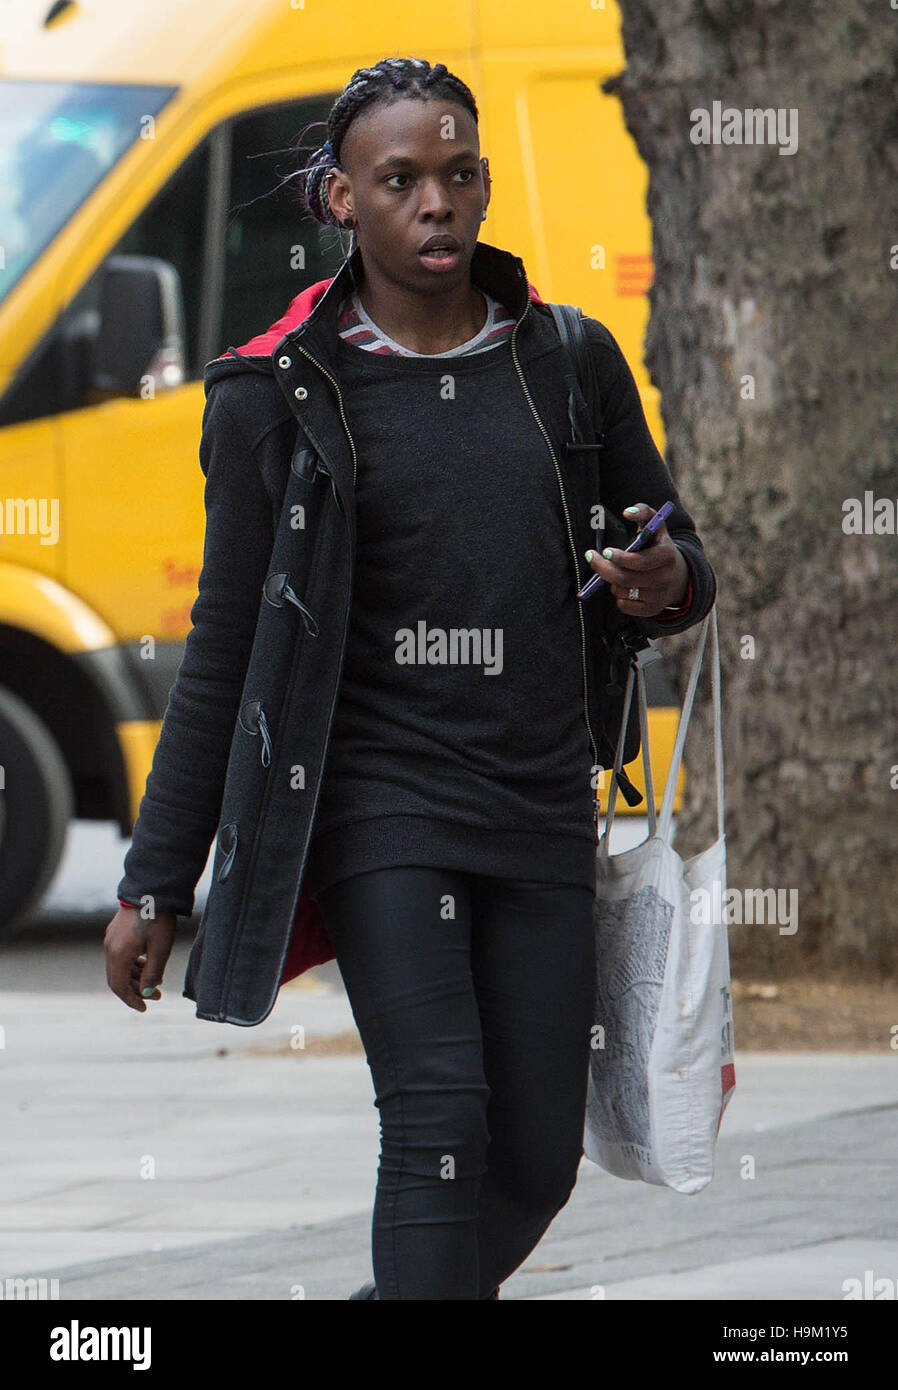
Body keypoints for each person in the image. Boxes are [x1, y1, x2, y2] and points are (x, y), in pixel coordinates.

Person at [105, 56, 716, 1300]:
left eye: (458, 175)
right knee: (439, 1126)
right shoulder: (276, 392)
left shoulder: (567, 363)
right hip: (379, 810)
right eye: (400, 182)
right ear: (339, 201)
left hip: (542, 799)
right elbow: (226, 647)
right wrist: (153, 881)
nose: (436, 204)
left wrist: (667, 584)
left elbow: (679, 555)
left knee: (537, 1157)